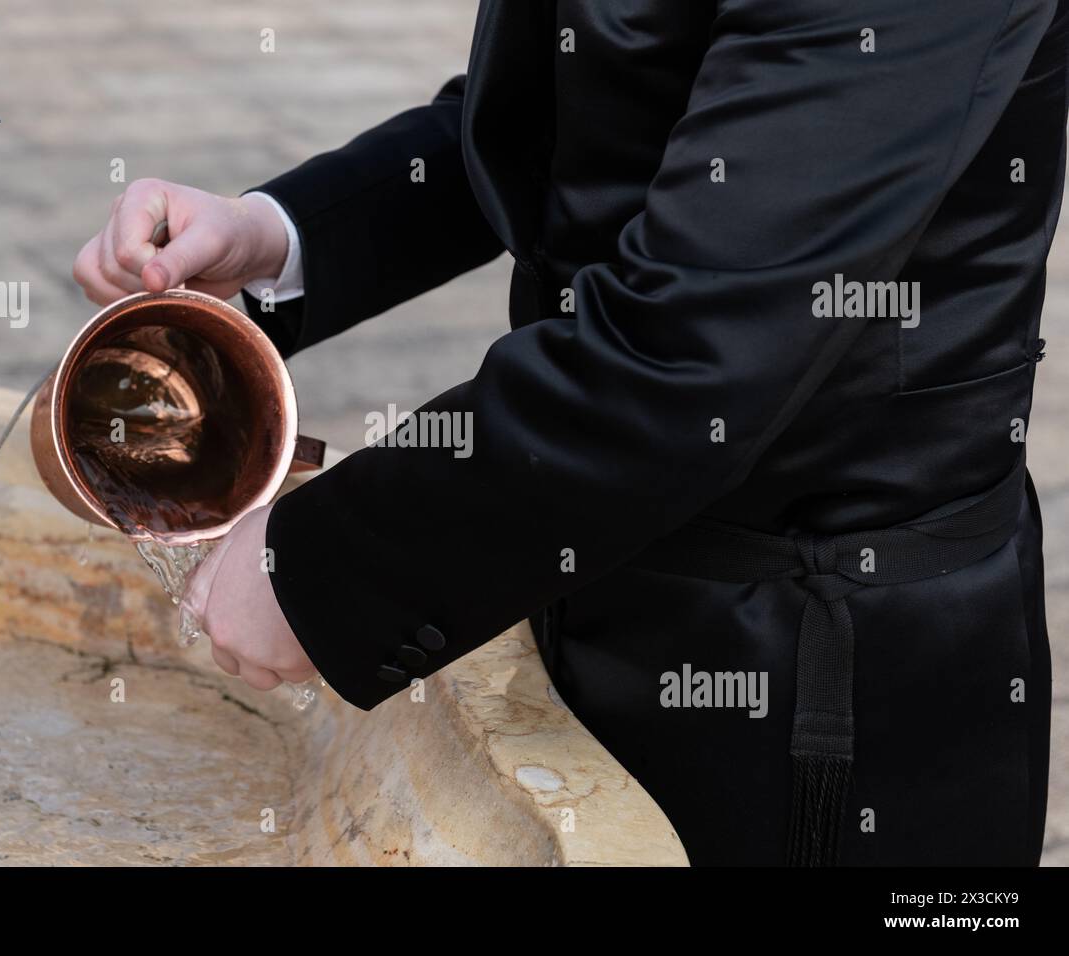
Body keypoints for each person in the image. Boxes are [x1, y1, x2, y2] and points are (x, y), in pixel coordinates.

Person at [74, 0, 1065, 866]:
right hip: (588, 559)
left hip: (817, 693)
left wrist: (321, 568)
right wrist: (282, 235)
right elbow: (557, 114)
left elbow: (686, 357)